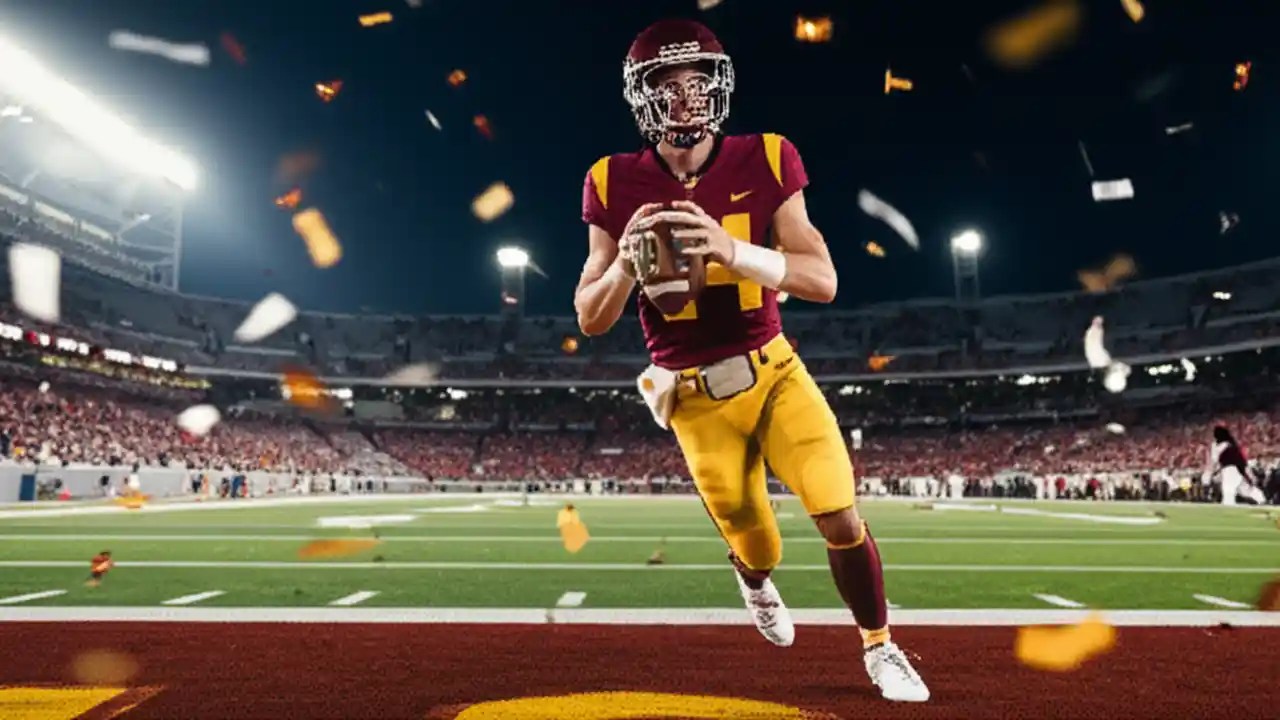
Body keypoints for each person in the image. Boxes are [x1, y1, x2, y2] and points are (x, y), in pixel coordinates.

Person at [573, 18, 928, 703]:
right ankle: (754, 578)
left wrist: (731, 251)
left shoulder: (767, 157)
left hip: (772, 371)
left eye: (697, 81)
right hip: (694, 398)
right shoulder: (611, 181)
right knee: (759, 544)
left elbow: (822, 280)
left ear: (719, 87)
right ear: (642, 98)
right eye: (667, 85)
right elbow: (591, 317)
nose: (685, 98)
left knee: (837, 509)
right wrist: (624, 261)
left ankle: (881, 648)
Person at [1206, 425, 1265, 505]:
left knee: (1228, 489)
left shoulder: (1220, 446)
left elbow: (1214, 460)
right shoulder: (1232, 445)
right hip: (1238, 469)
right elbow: (1241, 461)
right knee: (1244, 490)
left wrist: (1209, 474)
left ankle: (1228, 505)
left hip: (1230, 470)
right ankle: (1261, 498)